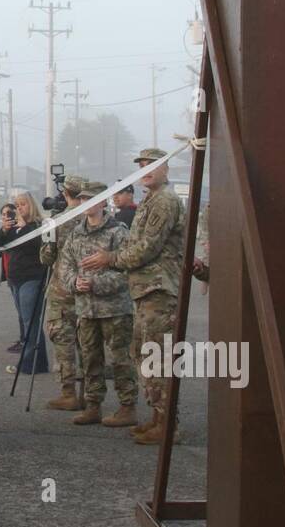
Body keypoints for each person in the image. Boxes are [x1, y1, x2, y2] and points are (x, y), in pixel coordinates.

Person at [81, 148, 185, 443]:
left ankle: (167, 426)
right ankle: (157, 418)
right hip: (146, 289)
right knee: (146, 355)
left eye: (151, 164)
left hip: (159, 290)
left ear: (165, 168)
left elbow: (145, 248)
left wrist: (109, 259)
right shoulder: (151, 200)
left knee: (159, 358)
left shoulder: (164, 201)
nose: (144, 168)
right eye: (140, 165)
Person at [57, 181, 138, 428]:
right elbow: (65, 267)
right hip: (86, 309)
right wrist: (75, 283)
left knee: (121, 359)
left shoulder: (118, 232)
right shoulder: (76, 234)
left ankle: (127, 406)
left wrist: (95, 284)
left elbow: (126, 271)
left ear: (103, 202)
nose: (85, 203)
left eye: (91, 199)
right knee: (91, 359)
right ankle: (93, 405)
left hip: (114, 309)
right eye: (82, 199)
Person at [39, 174, 86, 410]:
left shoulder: (54, 222)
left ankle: (68, 392)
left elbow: (46, 257)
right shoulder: (96, 218)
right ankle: (89, 393)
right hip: (90, 289)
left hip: (62, 290)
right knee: (87, 342)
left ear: (65, 194)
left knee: (63, 341)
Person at [0, 192, 49, 376]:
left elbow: (37, 245)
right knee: (27, 322)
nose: (20, 208)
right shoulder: (14, 228)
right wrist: (3, 230)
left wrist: (24, 227)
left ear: (31, 205)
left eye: (23, 204)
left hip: (32, 278)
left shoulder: (37, 226)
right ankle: (38, 363)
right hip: (15, 278)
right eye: (17, 205)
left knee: (29, 321)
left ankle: (27, 363)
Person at [0, 203, 19, 350]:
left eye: (11, 214)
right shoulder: (3, 231)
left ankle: (26, 340)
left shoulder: (21, 230)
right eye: (4, 215)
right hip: (11, 276)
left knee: (25, 314)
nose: (8, 217)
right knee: (20, 312)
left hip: (22, 276)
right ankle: (23, 339)